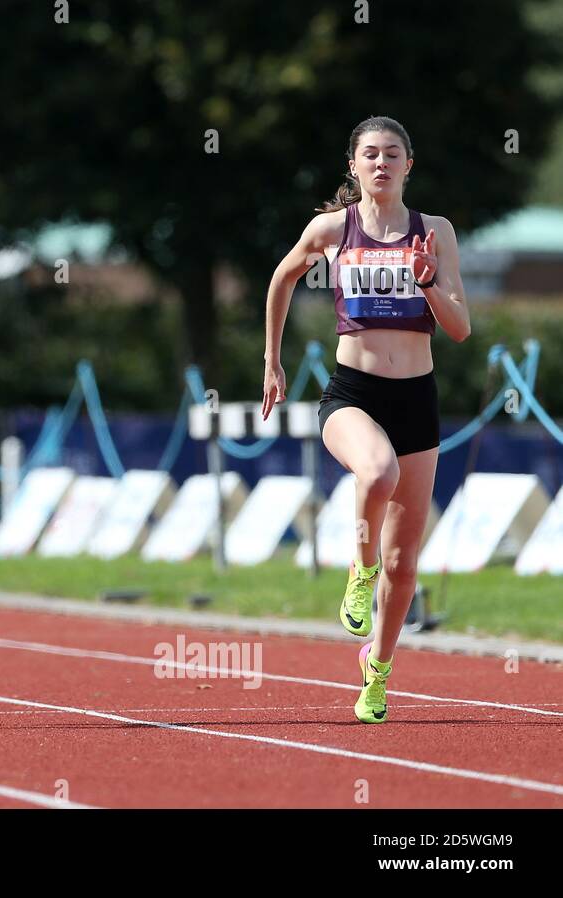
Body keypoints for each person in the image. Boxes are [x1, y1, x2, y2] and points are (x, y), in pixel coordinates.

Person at [262, 116, 471, 723]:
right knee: (375, 472)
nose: (381, 163)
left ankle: (375, 670)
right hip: (351, 394)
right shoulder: (333, 228)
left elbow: (458, 328)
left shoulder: (435, 232)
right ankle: (359, 566)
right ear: (353, 166)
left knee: (406, 564)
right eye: (370, 155)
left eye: (393, 154)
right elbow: (281, 277)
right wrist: (271, 362)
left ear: (410, 165)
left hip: (416, 399)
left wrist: (429, 282)